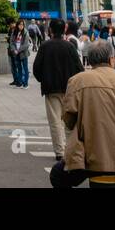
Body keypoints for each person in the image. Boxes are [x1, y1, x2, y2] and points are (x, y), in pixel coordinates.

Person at [52, 40, 115, 188]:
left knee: (57, 175)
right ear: (110, 58)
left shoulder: (77, 81)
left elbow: (68, 119)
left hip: (89, 157)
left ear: (90, 59)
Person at [33, 18, 84, 163]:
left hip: (51, 88)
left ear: (50, 30)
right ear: (64, 30)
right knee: (69, 121)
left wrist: (43, 79)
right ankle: (70, 148)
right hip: (69, 89)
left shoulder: (45, 46)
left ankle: (60, 151)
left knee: (55, 121)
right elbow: (79, 68)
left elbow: (36, 68)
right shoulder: (69, 47)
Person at [8, 19, 30, 88]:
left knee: (25, 68)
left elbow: (26, 44)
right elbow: (11, 42)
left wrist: (18, 50)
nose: (21, 26)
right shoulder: (14, 32)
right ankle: (19, 83)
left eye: (22, 25)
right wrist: (14, 50)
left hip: (23, 53)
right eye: (20, 24)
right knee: (19, 68)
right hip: (16, 53)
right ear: (17, 25)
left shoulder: (25, 32)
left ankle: (25, 83)